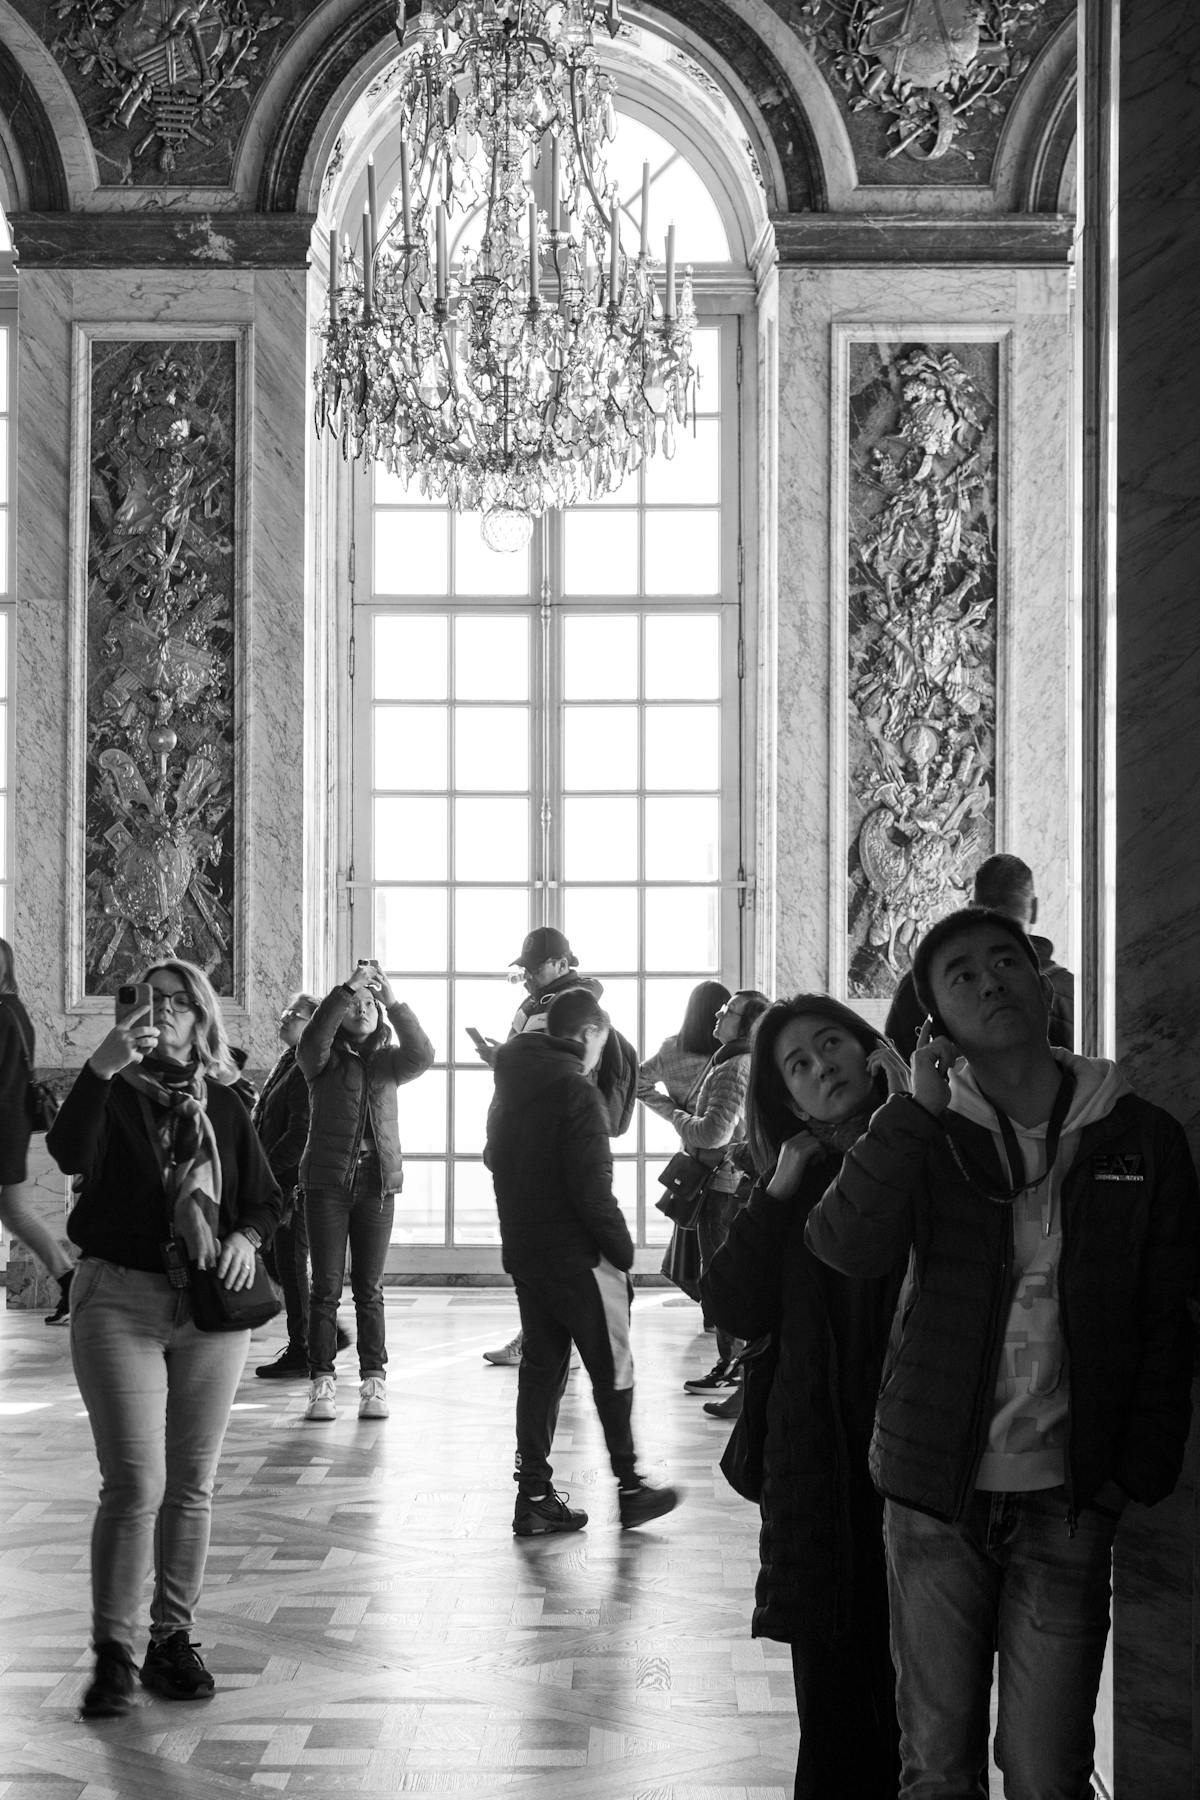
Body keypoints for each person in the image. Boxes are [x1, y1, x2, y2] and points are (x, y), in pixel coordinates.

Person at [806, 907, 1200, 1800]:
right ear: (937, 1017)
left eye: (1003, 962)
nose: (990, 983)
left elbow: (1167, 1316)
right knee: (937, 1769)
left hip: (1069, 1495)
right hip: (936, 1492)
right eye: (962, 976)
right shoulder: (928, 1129)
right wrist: (913, 1111)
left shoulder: (1137, 1133)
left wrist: (1129, 1472)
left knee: (1045, 1770)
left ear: (1041, 979)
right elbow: (842, 1243)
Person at [46, 959, 283, 1719]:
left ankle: (170, 1640)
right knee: (135, 1484)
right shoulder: (111, 1090)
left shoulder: (225, 1101)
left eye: (182, 1002)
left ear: (202, 1016)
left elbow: (267, 1200)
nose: (167, 1012)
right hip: (120, 1299)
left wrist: (246, 1233)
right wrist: (99, 1068)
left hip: (210, 1311)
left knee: (192, 1485)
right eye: (153, 1000)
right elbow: (68, 1156)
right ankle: (113, 1655)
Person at [703, 996, 907, 1800]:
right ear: (787, 1099)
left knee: (921, 1698)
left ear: (871, 1053)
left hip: (918, 1460)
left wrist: (913, 1119)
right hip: (821, 1462)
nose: (823, 1067)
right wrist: (777, 1191)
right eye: (799, 1064)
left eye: (833, 1045)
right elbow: (734, 1306)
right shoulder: (798, 1175)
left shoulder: (935, 1146)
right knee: (831, 1701)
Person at [484, 984, 681, 1533]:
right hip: (580, 1258)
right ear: (590, 1032)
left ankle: (534, 1496)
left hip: (527, 1253)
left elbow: (493, 1160)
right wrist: (622, 1254)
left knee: (542, 1372)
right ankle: (631, 1486)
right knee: (611, 1369)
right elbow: (594, 1192)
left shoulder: (510, 1086)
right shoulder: (576, 1093)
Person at [476, 927, 639, 1366]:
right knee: (550, 1248)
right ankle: (544, 1339)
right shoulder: (538, 1006)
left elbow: (564, 1073)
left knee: (569, 1238)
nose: (527, 975)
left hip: (557, 1139)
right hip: (539, 1136)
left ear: (564, 965)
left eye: (534, 966)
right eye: (524, 968)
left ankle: (575, 1342)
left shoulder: (571, 1009)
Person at [298, 959, 434, 1423]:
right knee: (325, 1290)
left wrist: (393, 1000)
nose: (363, 1007)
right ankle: (321, 1384)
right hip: (326, 1186)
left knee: (369, 1290)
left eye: (370, 1003)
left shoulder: (390, 1062)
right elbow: (313, 1037)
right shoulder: (321, 1060)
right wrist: (346, 989)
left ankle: (374, 1381)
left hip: (377, 1187)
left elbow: (424, 1052)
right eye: (355, 1003)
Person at [653, 988, 771, 1396]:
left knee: (721, 1276)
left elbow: (714, 1132)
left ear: (748, 1023)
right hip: (727, 1183)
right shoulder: (734, 1060)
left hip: (722, 1186)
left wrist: (680, 1117)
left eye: (730, 1011)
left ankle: (733, 1364)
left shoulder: (733, 1066)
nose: (719, 1015)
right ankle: (734, 1364)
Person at [885, 853, 1074, 1058]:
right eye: (965, 979)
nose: (992, 985)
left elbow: (894, 1073)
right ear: (1035, 908)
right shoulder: (1069, 992)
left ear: (972, 908)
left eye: (1006, 964)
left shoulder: (920, 986)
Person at [252, 991, 350, 1378]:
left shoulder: (308, 1068)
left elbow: (300, 1133)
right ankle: (320, 1334)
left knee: (290, 1264)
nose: (284, 1017)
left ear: (315, 1025)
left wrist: (265, 1170)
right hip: (278, 1180)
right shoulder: (287, 1062)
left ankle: (305, 1348)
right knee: (279, 1261)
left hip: (293, 1183)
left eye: (294, 1014)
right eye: (286, 1010)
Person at [637, 979, 731, 1303]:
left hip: (693, 1154)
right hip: (728, 1156)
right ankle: (721, 1309)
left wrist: (676, 1113)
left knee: (695, 1226)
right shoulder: (730, 1054)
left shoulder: (670, 1049)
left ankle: (710, 1304)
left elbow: (638, 1082)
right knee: (721, 1232)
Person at [0, 936, 76, 1324]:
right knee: (16, 1213)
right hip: (10, 1127)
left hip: (4, 1128)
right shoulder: (14, 1009)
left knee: (17, 1212)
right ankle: (69, 1280)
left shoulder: (2, 1012)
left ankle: (71, 1281)